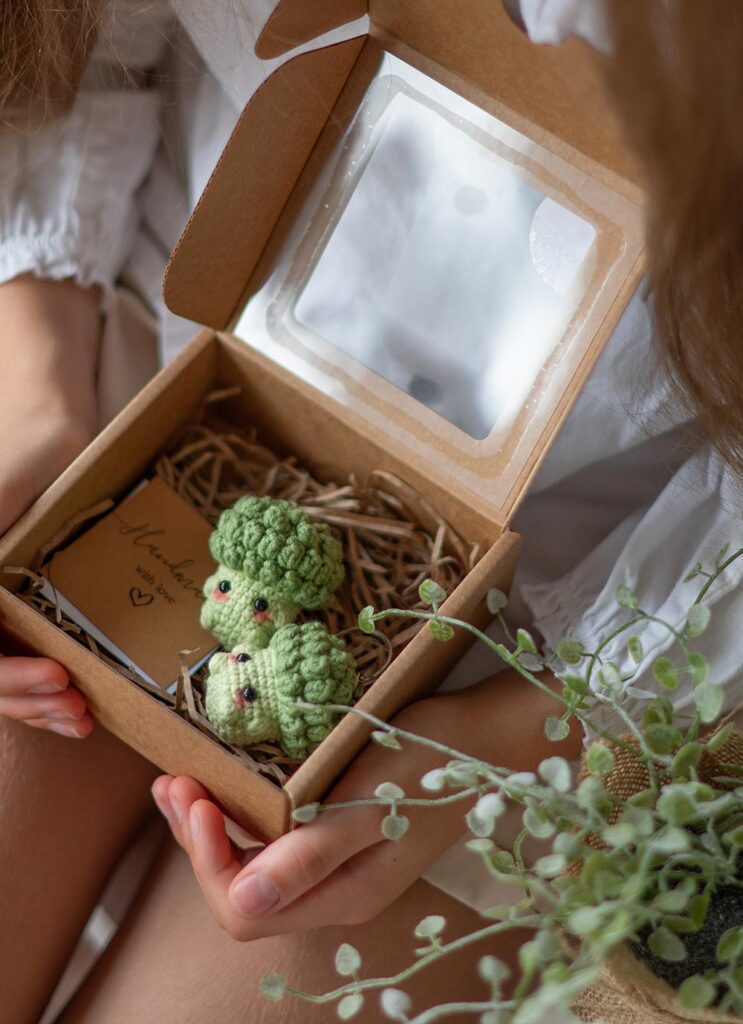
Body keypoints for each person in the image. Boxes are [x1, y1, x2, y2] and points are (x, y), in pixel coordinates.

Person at [2, 2, 743, 1022]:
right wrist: (38, 390)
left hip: (569, 590)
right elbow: (88, 38)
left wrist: (490, 737)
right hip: (179, 335)